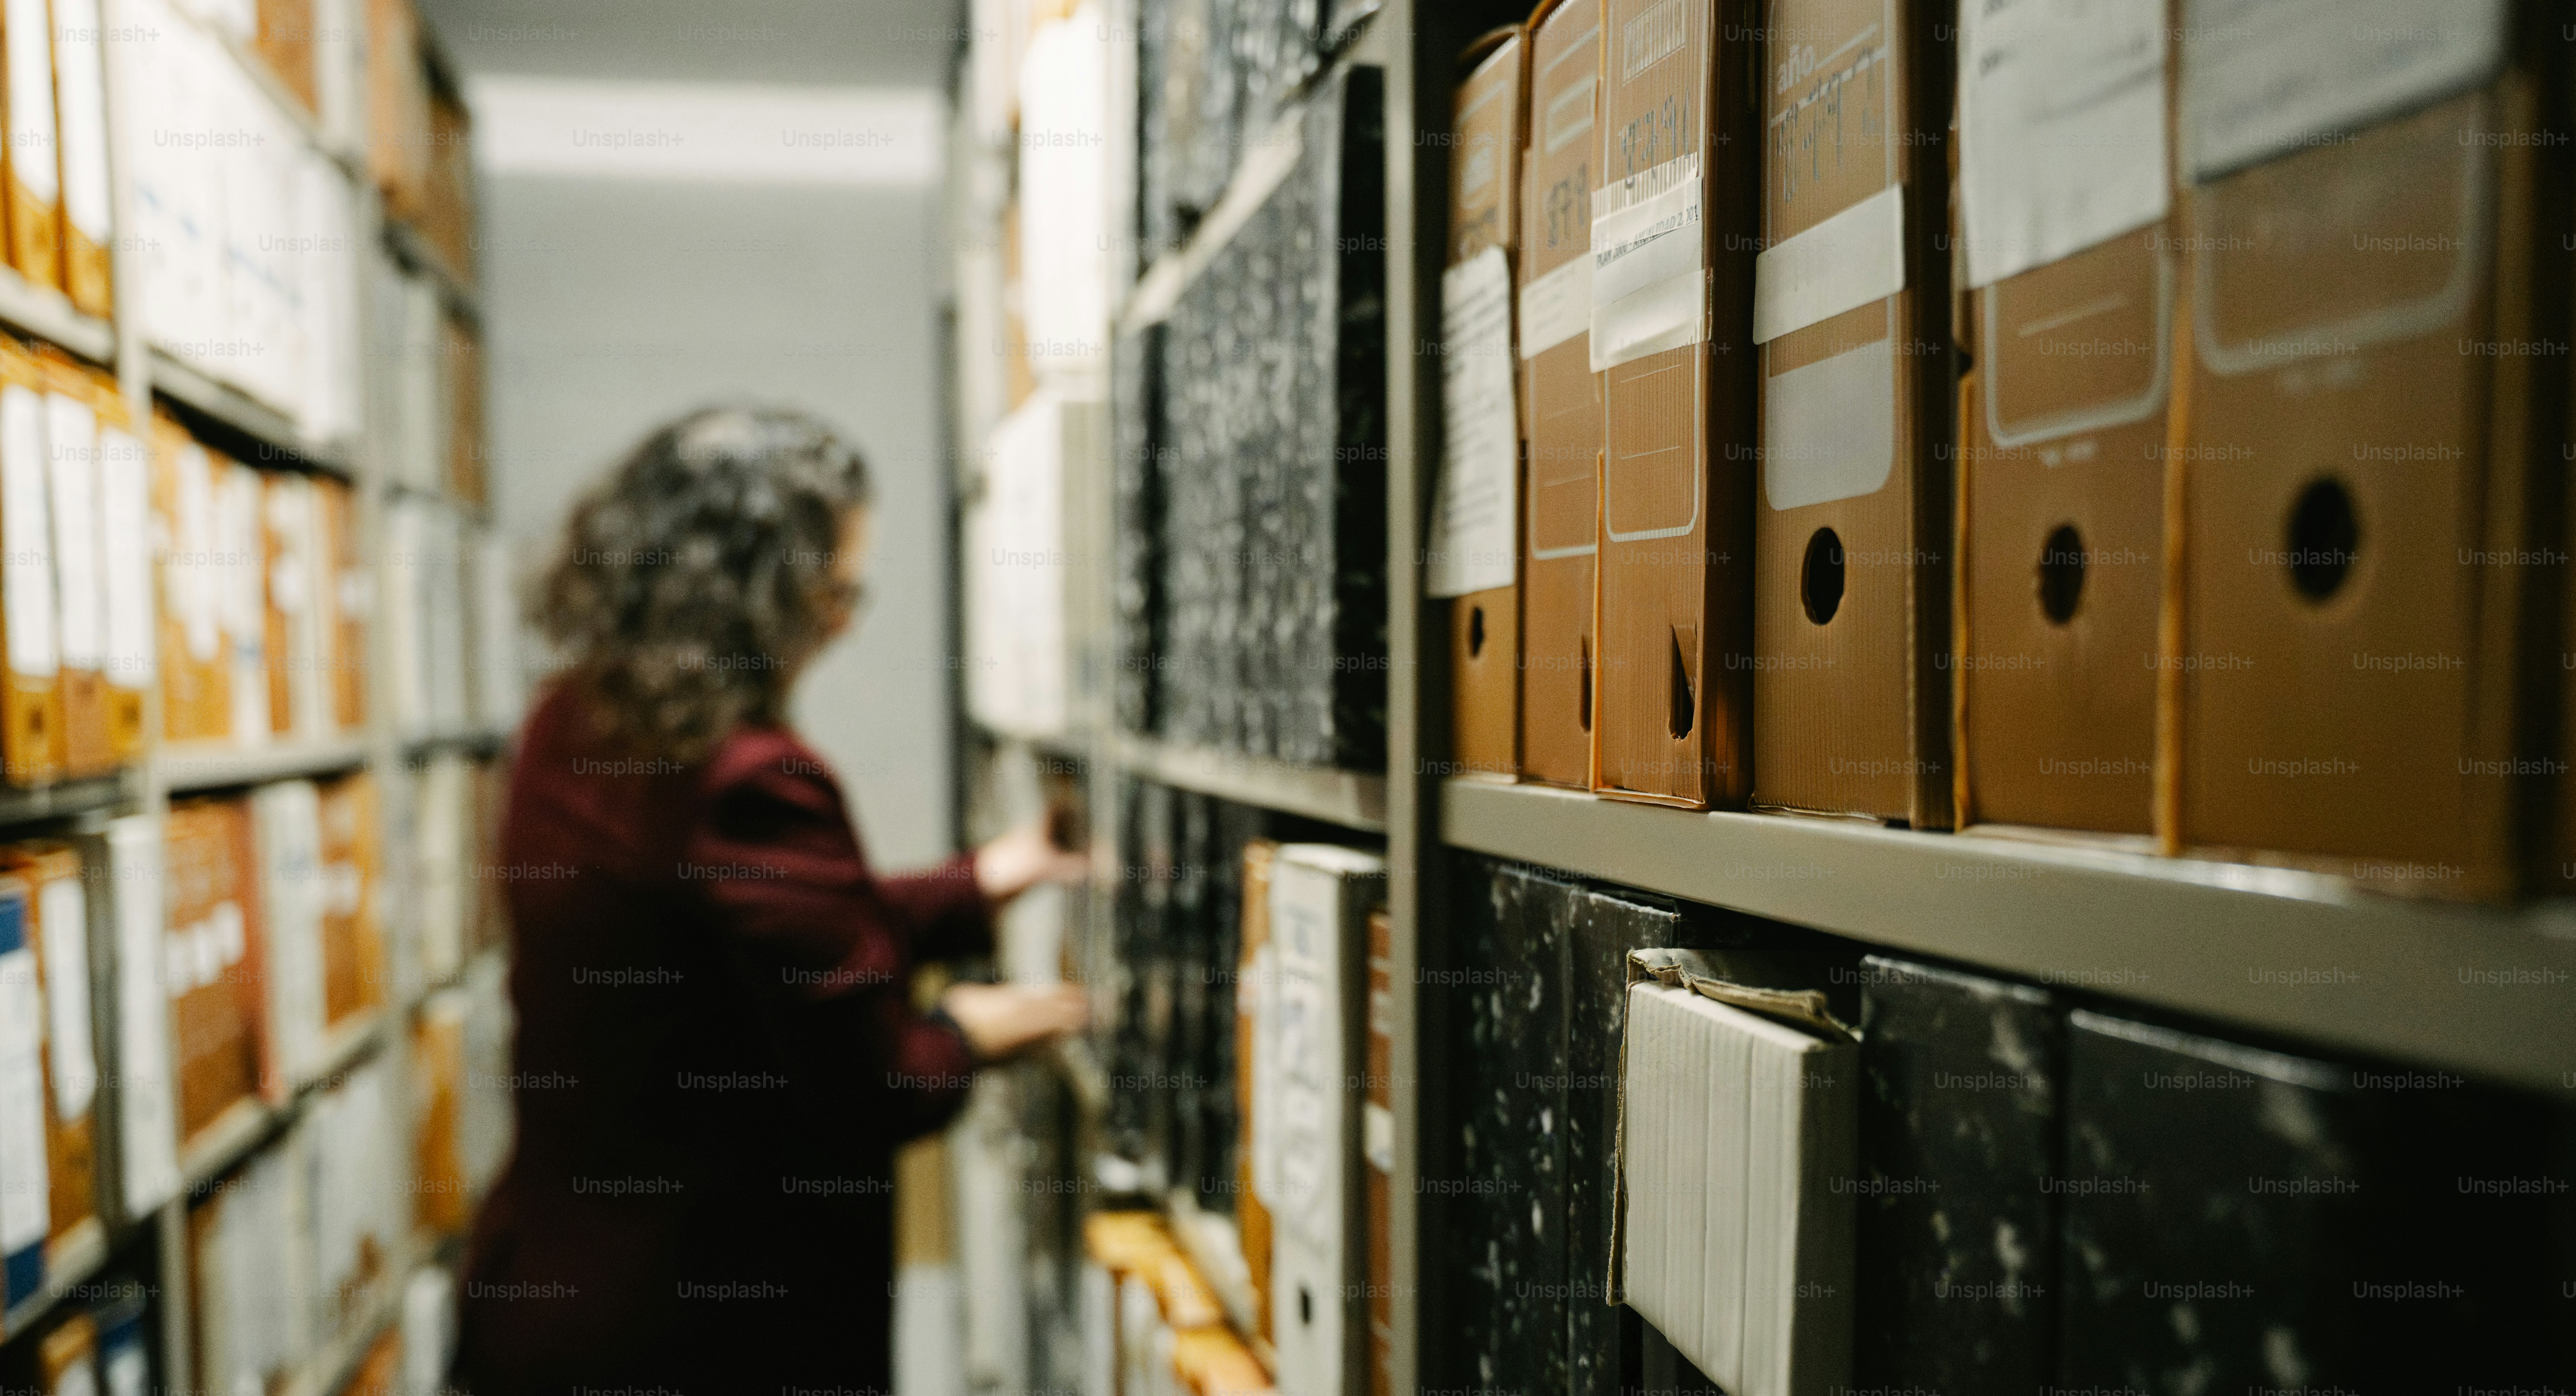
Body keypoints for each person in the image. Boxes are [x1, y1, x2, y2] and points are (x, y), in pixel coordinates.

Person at [453, 407, 1087, 1396]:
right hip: (700, 1329)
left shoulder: (568, 722)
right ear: (761, 599)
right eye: (834, 592)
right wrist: (964, 1030)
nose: (838, 624)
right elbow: (875, 1083)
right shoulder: (749, 780)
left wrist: (977, 884)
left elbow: (726, 942)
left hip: (552, 1296)